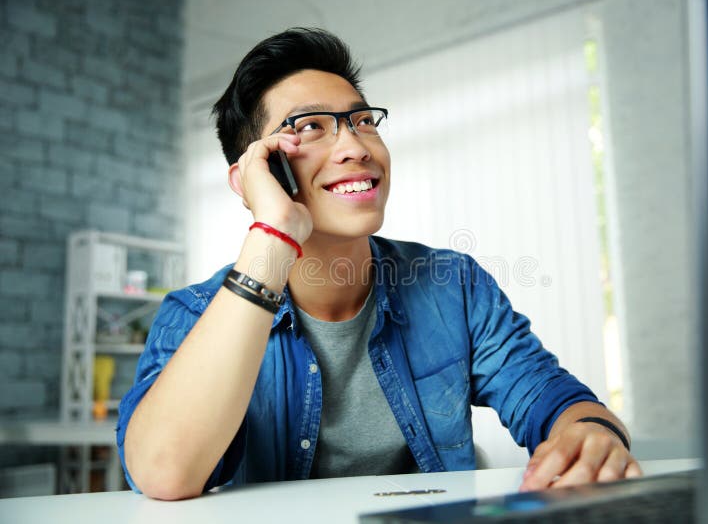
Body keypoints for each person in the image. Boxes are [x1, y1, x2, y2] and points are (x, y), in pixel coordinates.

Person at [117, 27, 641, 501]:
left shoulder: (452, 286)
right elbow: (164, 473)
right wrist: (271, 235)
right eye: (311, 127)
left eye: (362, 121)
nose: (354, 145)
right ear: (256, 173)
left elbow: (550, 396)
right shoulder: (194, 315)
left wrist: (591, 432)